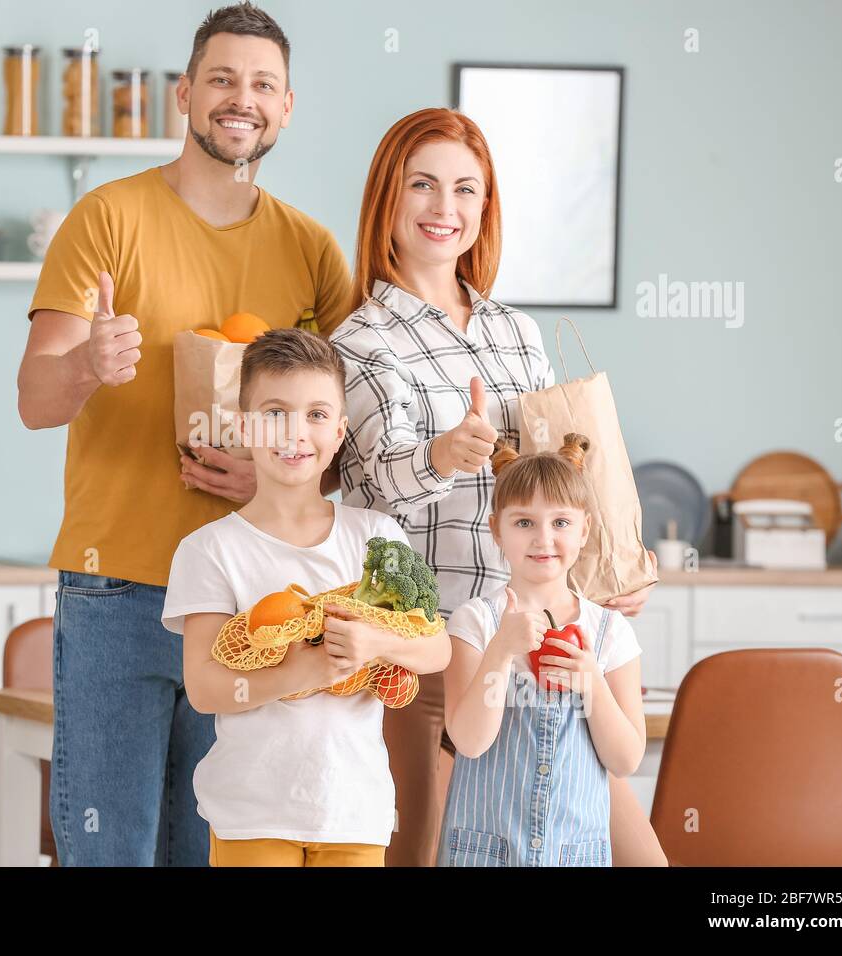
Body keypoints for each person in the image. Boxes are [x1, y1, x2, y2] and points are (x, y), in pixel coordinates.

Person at [15, 3, 352, 865]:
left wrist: (274, 485)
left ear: (286, 107)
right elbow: (34, 397)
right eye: (223, 79)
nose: (242, 99)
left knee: (216, 851)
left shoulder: (313, 252)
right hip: (116, 591)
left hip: (254, 600)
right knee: (109, 851)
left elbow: (347, 430)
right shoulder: (107, 218)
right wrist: (88, 362)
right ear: (185, 94)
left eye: (262, 85)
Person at [330, 107, 664, 866]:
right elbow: (371, 489)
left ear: (485, 209)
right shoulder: (359, 341)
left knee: (635, 853)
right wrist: (443, 456)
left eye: (465, 190)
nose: (445, 209)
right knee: (422, 850)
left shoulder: (516, 332)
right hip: (434, 651)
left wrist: (608, 564)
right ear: (389, 196)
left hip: (550, 644)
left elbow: (559, 484)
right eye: (423, 185)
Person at [162, 329, 451, 866]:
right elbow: (205, 688)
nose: (296, 433)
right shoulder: (209, 551)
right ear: (243, 426)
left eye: (317, 414)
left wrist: (373, 641)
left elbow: (436, 651)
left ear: (340, 432)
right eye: (276, 412)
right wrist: (299, 675)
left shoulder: (376, 536)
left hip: (354, 809)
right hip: (252, 813)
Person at [439, 434, 646, 865]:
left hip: (575, 854)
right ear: (496, 528)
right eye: (524, 522)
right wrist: (500, 651)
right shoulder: (474, 622)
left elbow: (626, 759)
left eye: (561, 523)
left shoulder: (608, 632)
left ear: (584, 528)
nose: (543, 538)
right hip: (485, 852)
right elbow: (470, 742)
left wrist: (591, 681)